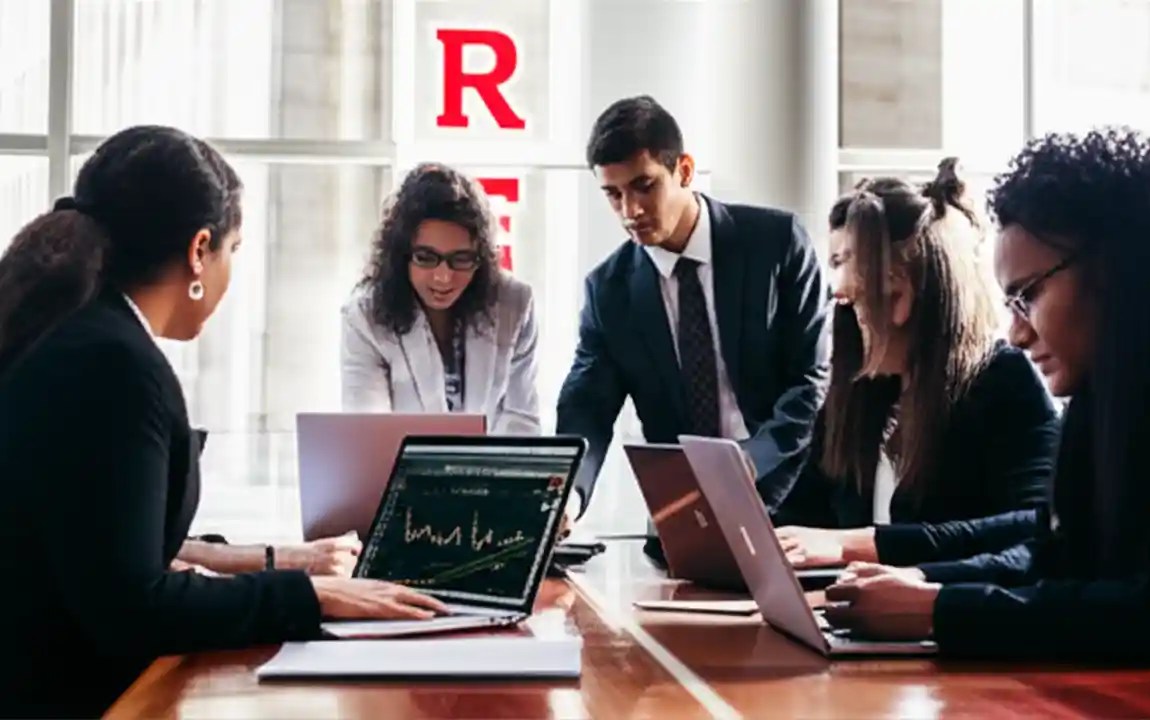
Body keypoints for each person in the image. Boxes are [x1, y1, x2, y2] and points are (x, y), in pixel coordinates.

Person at [0, 126, 447, 717]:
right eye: (234, 250)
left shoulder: (66, 332)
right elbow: (133, 608)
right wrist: (310, 596)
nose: (230, 273)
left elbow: (103, 551)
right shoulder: (114, 364)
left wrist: (278, 564)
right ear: (198, 250)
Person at [823, 128, 1150, 668]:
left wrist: (937, 607)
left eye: (1028, 295)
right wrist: (916, 584)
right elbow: (1054, 557)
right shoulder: (1103, 390)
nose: (1015, 332)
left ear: (1117, 271)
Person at [556, 95, 828, 531]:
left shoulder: (776, 243)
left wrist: (744, 468)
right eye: (613, 194)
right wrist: (568, 495)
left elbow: (810, 380)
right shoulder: (608, 290)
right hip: (686, 523)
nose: (631, 211)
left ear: (683, 170)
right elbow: (587, 406)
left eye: (645, 186)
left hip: (796, 510)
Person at [773, 161, 1059, 568]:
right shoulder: (859, 394)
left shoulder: (1002, 382)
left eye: (853, 301)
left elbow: (1035, 528)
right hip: (847, 621)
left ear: (903, 294)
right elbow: (801, 521)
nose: (842, 313)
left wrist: (864, 545)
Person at [341, 162, 539, 434]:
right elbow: (368, 431)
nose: (443, 277)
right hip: (398, 474)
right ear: (401, 255)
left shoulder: (514, 304)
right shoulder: (364, 316)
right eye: (426, 258)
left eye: (461, 259)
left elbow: (521, 423)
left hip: (489, 473)